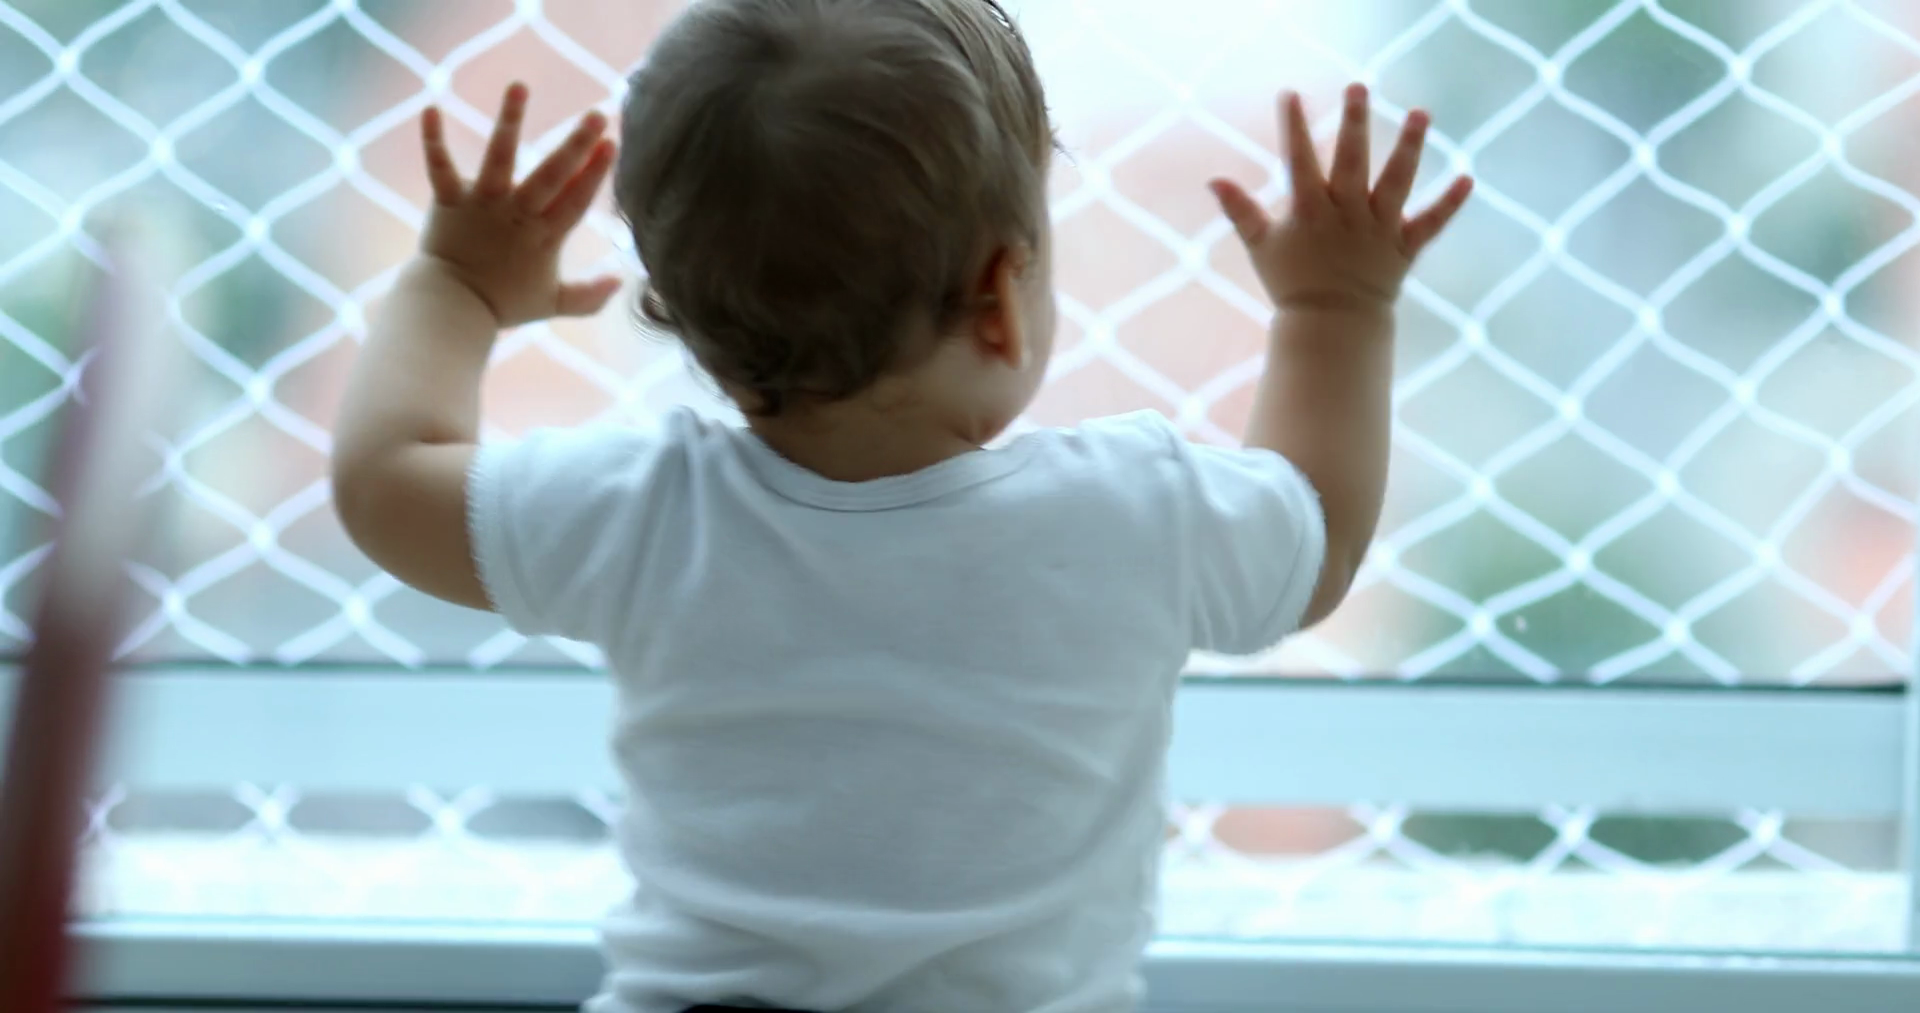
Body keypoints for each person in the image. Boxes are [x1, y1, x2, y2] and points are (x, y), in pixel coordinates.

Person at [328, 1, 1473, 1010]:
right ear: (1001, 301)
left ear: (680, 308)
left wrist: (459, 285)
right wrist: (1335, 308)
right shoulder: (1133, 516)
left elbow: (385, 481)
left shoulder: (643, 514)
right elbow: (1316, 532)